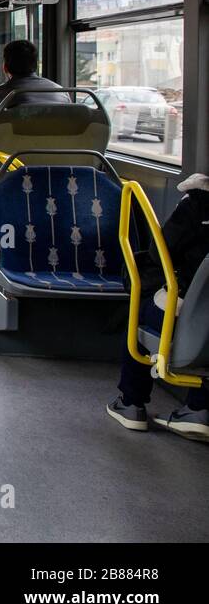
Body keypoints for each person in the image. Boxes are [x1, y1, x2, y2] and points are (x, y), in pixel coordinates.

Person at [108, 174, 209, 441]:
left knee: (140, 314)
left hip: (184, 313)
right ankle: (200, 407)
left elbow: (161, 251)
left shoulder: (198, 201)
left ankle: (131, 403)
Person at [0, 39, 69, 190]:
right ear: (36, 65)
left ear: (5, 67)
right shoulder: (61, 93)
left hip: (8, 168)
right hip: (57, 169)